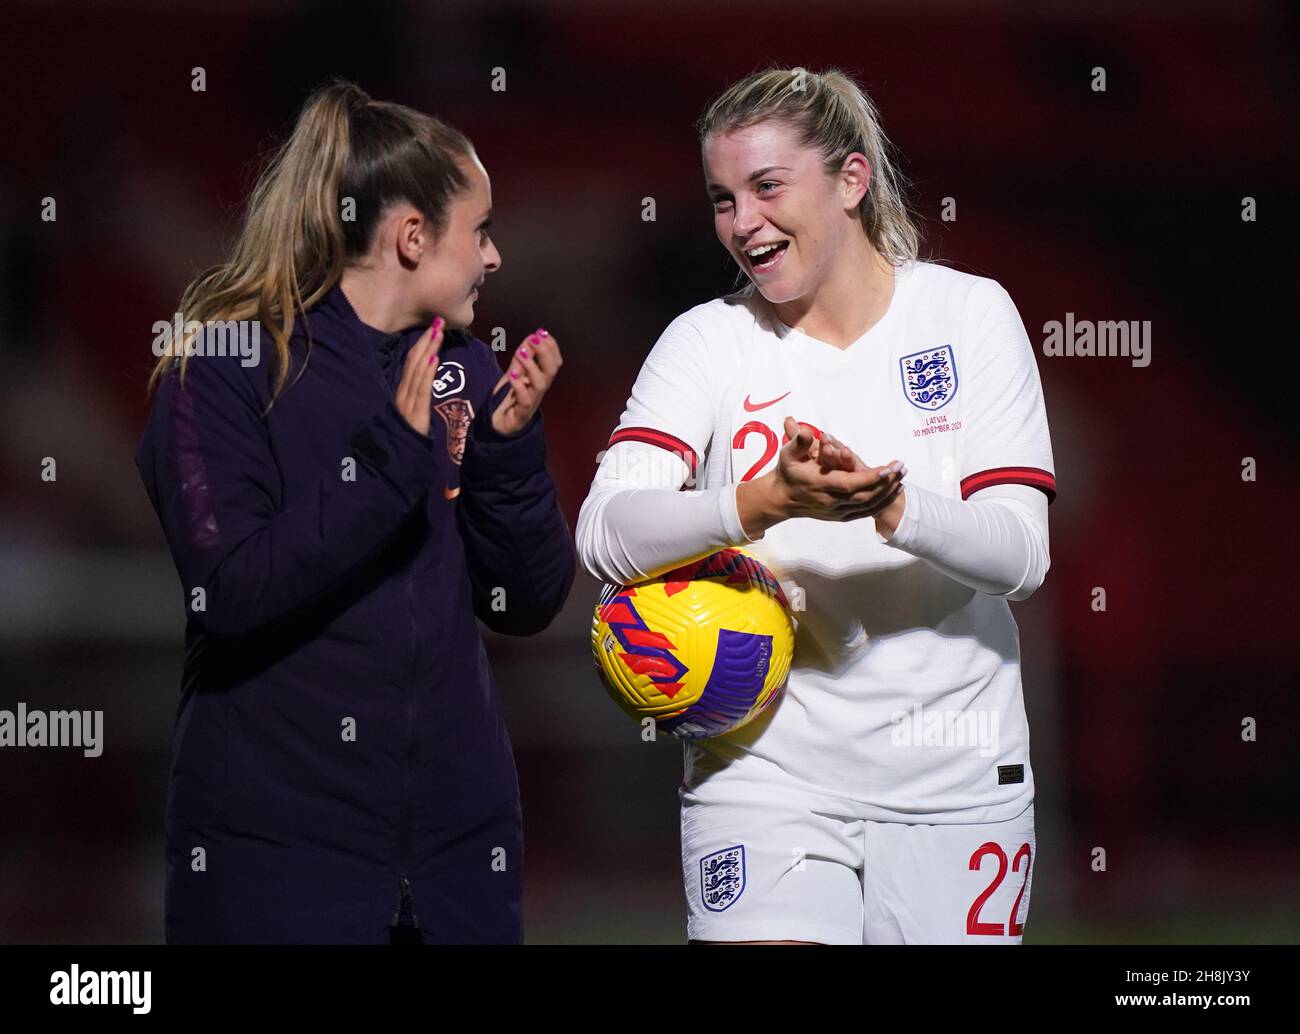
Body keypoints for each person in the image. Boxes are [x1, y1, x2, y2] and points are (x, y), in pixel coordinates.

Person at [576, 66, 1056, 944]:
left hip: (955, 782)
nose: (743, 223)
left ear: (850, 179)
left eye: (766, 187)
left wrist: (893, 509)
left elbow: (1022, 557)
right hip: (762, 778)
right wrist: (762, 502)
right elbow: (605, 531)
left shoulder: (969, 315)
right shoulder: (707, 341)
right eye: (723, 199)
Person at [135, 79, 574, 944]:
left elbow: (524, 605)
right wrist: (385, 461)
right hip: (274, 867)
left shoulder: (469, 373)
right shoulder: (223, 368)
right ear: (412, 237)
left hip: (460, 867)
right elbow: (227, 590)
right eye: (478, 232)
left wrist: (511, 452)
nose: (494, 259)